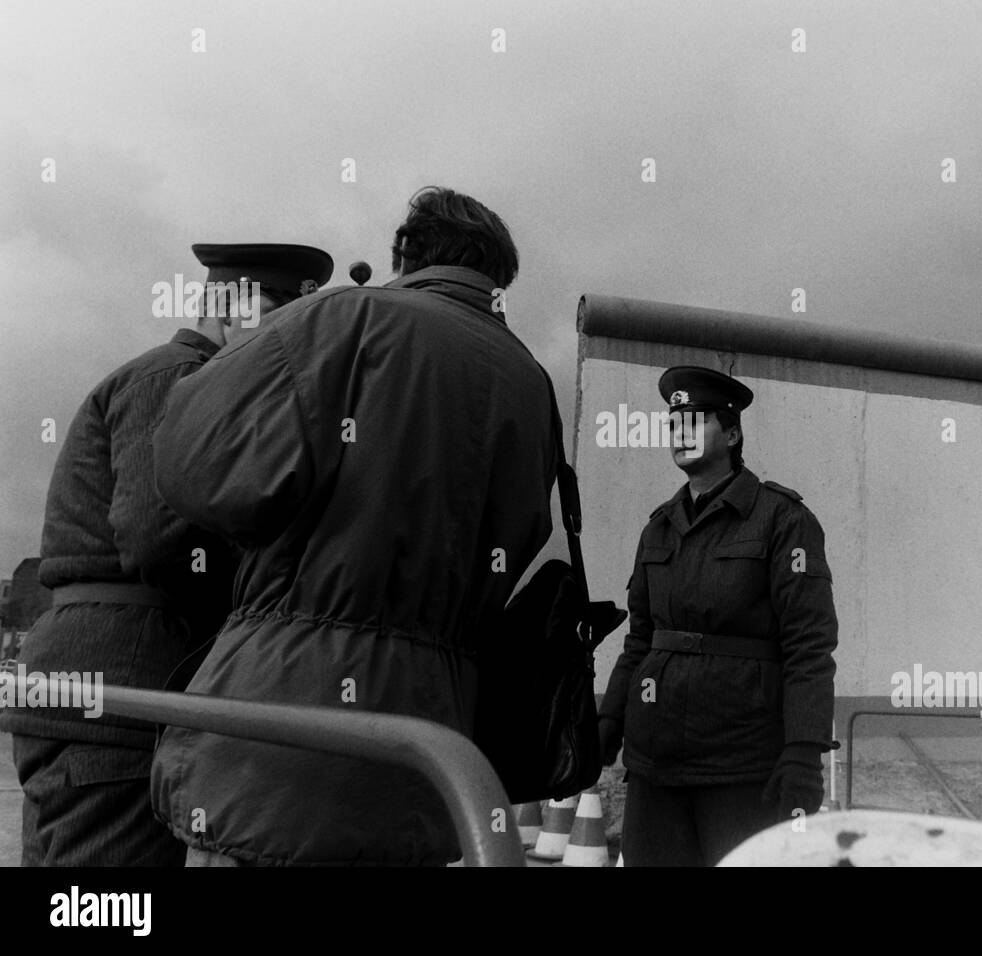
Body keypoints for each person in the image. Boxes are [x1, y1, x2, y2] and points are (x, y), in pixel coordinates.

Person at [149, 187, 558, 866]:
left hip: (280, 736)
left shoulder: (349, 317)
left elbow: (188, 460)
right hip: (431, 751)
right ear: (497, 275)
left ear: (406, 252)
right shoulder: (532, 380)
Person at [2, 242, 333, 866]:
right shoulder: (179, 379)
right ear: (227, 308)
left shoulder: (183, 378)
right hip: (124, 670)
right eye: (279, 316)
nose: (286, 342)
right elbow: (158, 536)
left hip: (106, 665)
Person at [598, 366, 839, 866]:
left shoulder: (782, 520)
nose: (679, 433)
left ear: (731, 434)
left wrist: (803, 751)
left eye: (695, 421)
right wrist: (608, 722)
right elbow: (640, 640)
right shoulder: (658, 529)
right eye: (673, 423)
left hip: (741, 766)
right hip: (654, 764)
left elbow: (809, 646)